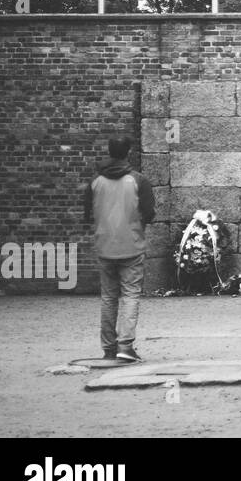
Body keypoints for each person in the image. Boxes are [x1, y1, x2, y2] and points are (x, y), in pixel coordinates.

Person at [82, 136, 156, 361]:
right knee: (131, 295)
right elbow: (150, 213)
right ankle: (126, 346)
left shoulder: (95, 182)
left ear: (109, 151)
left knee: (108, 297)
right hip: (131, 244)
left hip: (105, 246)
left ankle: (108, 348)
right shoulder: (138, 180)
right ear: (129, 152)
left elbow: (88, 215)